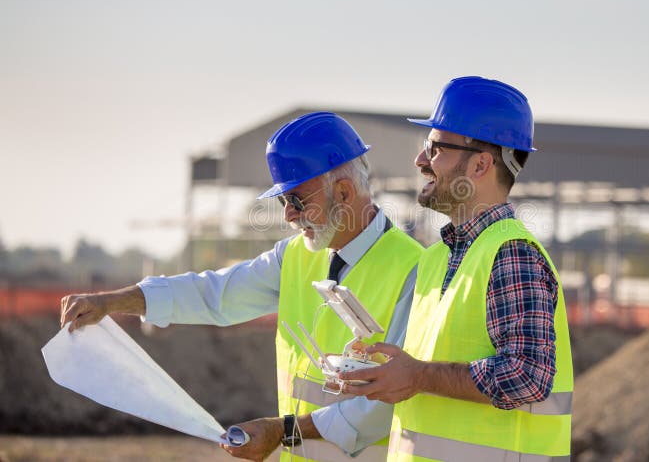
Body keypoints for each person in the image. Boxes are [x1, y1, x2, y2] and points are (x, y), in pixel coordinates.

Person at [60, 111, 423, 462]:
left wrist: (281, 431)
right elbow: (216, 294)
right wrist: (114, 302)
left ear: (343, 192)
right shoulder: (294, 256)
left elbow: (379, 410)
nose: (288, 215)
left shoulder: (414, 270)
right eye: (283, 201)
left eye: (296, 200)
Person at [340, 76, 574, 461]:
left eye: (434, 149)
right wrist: (391, 372)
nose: (420, 161)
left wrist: (419, 375)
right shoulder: (435, 258)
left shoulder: (511, 252)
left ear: (480, 164)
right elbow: (432, 370)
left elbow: (527, 376)